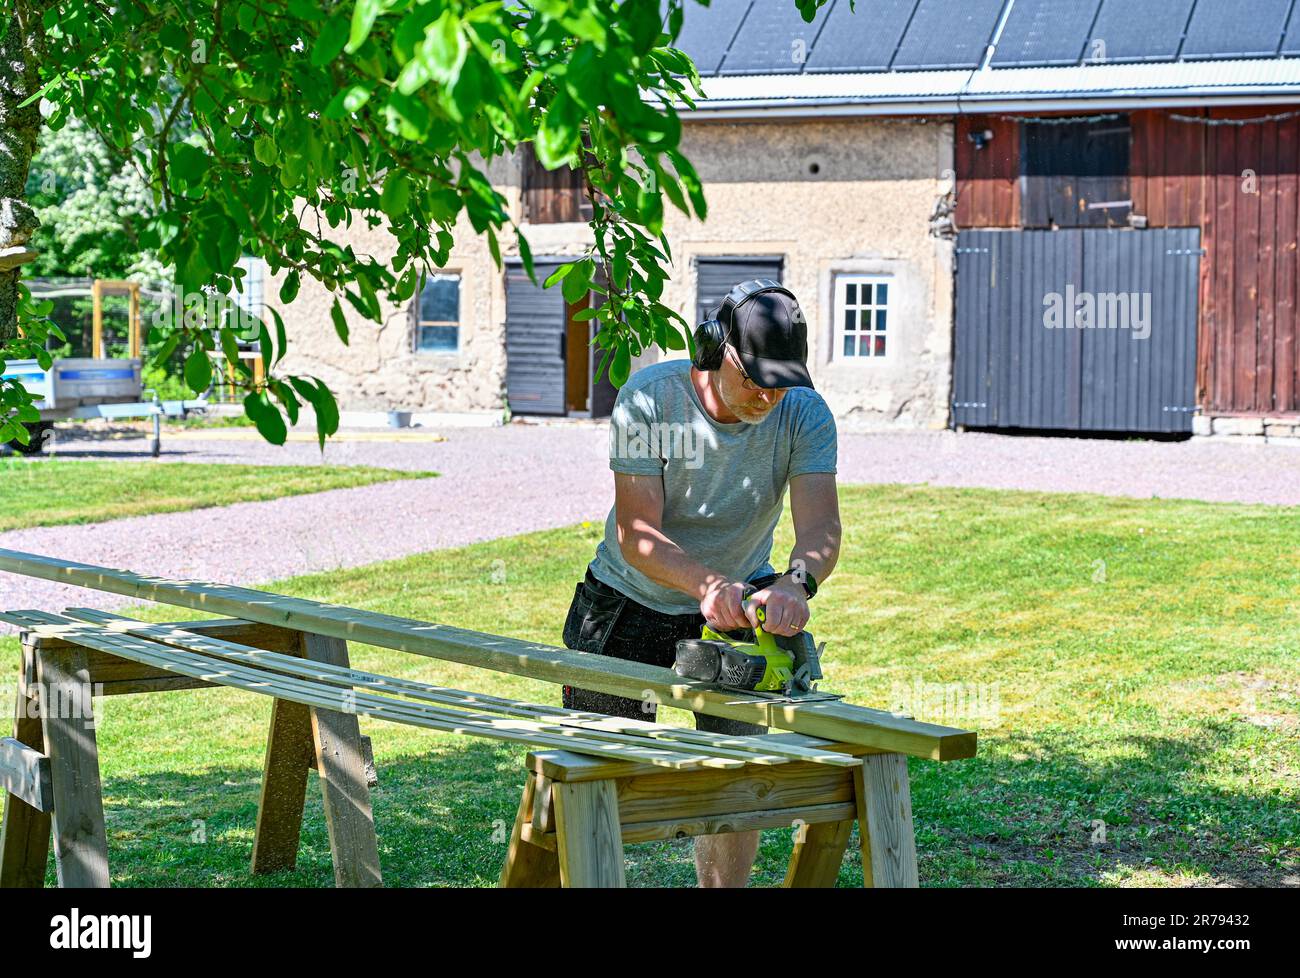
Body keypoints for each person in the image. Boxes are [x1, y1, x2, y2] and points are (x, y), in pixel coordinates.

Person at [560, 279, 842, 887]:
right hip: (626, 605)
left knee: (737, 773)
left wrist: (797, 583)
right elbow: (639, 535)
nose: (769, 396)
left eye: (782, 380)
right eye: (756, 379)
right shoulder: (649, 401)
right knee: (600, 777)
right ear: (714, 351)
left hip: (738, 608)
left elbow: (821, 526)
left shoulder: (804, 413)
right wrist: (707, 584)